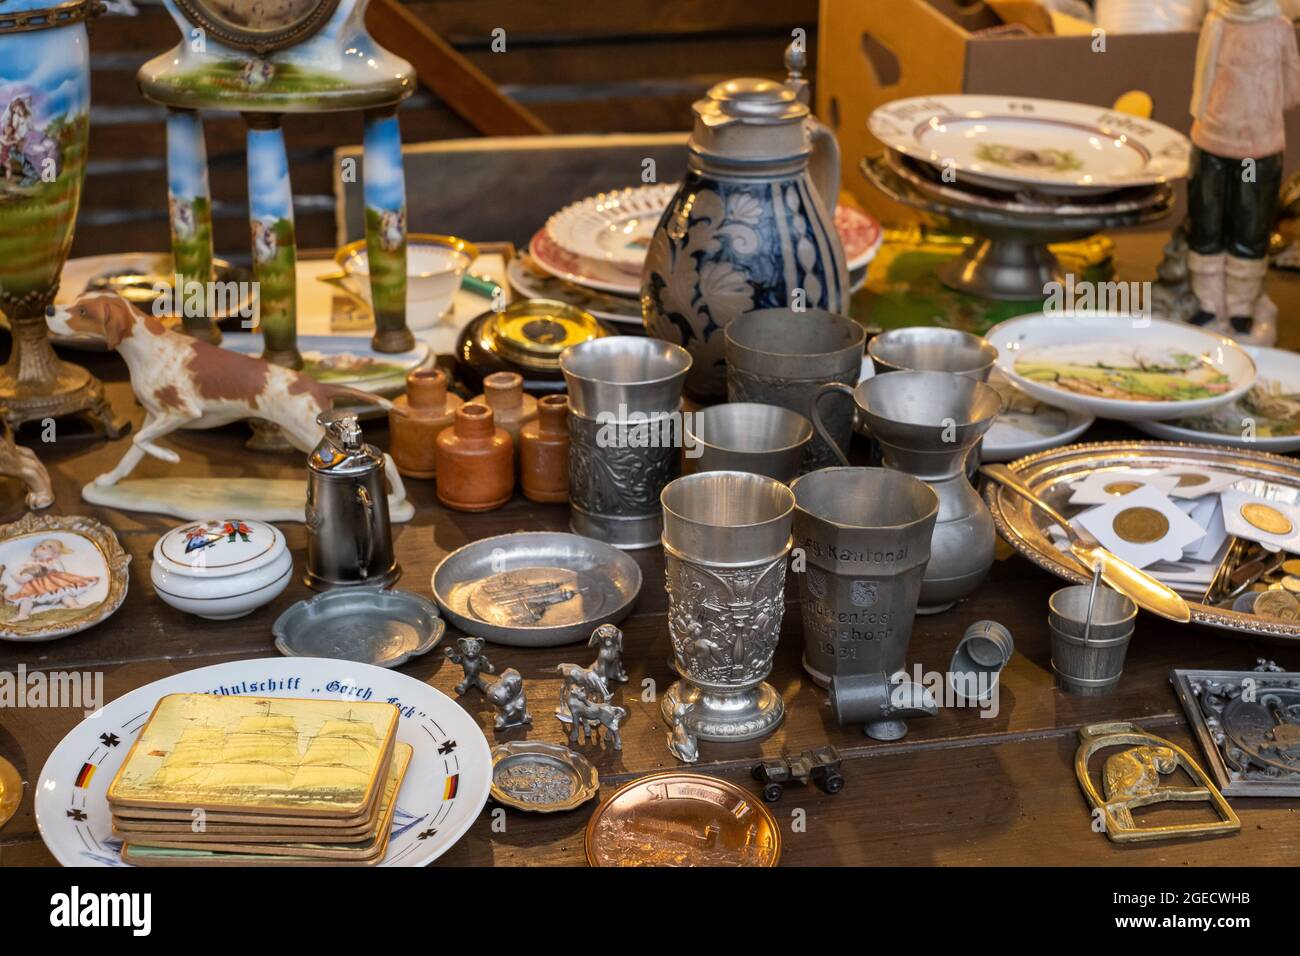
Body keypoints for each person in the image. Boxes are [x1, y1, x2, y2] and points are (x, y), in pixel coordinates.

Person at [1187, 0, 1300, 339]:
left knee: (1250, 223)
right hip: (1211, 145)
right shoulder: (1216, 22)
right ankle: (1209, 303)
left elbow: (1292, 86)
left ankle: (1241, 306)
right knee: (1207, 223)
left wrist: (1258, 109)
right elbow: (1203, 77)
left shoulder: (1278, 28)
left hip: (1257, 152)